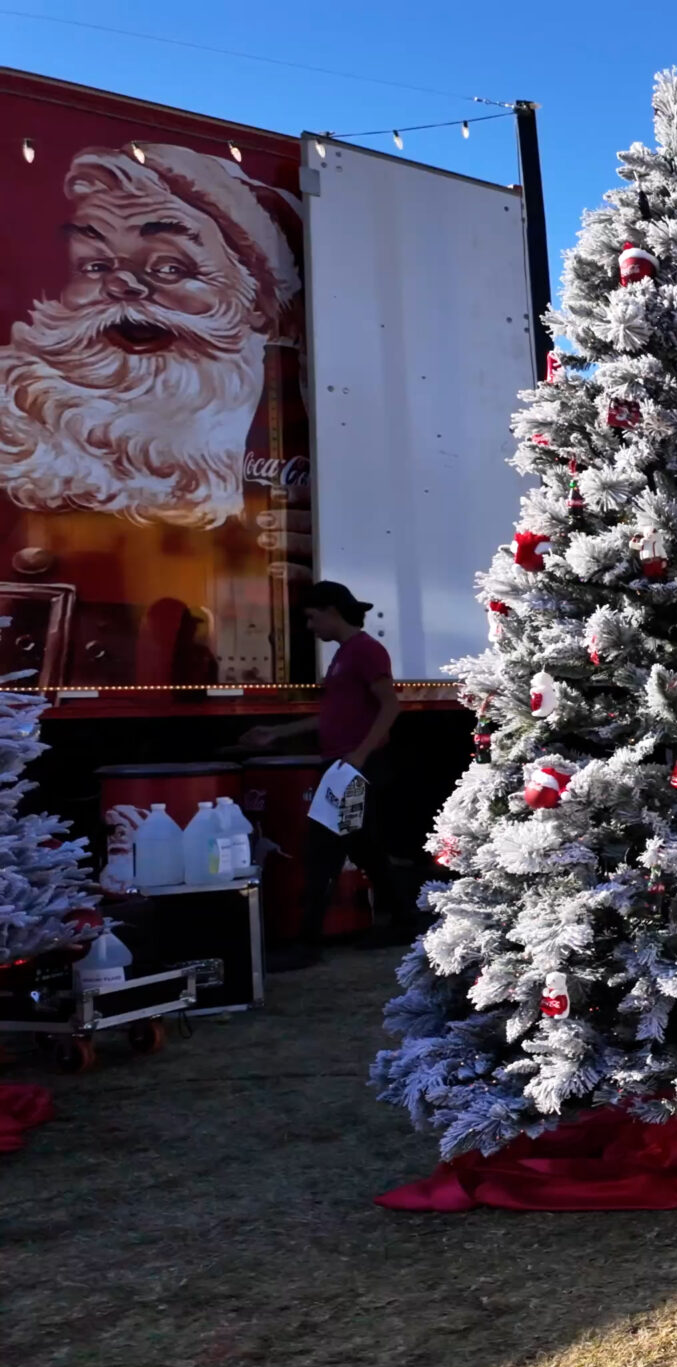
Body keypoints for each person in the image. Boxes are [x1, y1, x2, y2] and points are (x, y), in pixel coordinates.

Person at [0, 144, 302, 528]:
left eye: (170, 267)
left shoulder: (280, 430)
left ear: (256, 302)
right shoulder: (19, 422)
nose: (122, 284)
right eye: (94, 266)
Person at [241, 580, 404, 967]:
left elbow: (391, 706)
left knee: (322, 849)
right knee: (363, 848)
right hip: (344, 765)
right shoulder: (346, 654)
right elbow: (333, 715)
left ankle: (307, 944)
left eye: (313, 618)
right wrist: (277, 733)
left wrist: (359, 755)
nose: (310, 627)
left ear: (332, 612)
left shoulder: (364, 651)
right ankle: (403, 921)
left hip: (350, 768)